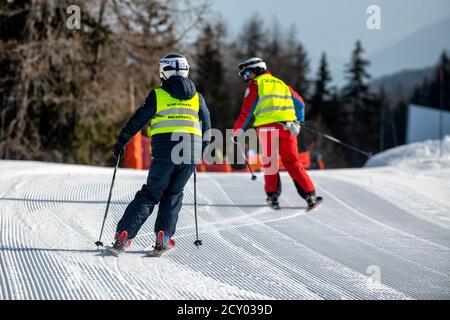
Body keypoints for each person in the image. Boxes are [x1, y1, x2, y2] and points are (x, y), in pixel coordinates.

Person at [111, 53, 211, 254]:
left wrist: (122, 142)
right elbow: (207, 126)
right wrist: (201, 149)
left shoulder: (158, 95)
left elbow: (137, 120)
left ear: (164, 71)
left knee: (150, 194)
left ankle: (124, 235)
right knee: (173, 194)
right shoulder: (197, 97)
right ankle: (163, 237)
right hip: (189, 155)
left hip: (165, 153)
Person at [232, 57, 321, 210]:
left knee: (271, 163)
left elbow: (246, 111)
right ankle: (310, 196)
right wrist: (299, 121)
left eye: (247, 74)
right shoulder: (282, 84)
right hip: (287, 128)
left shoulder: (255, 84)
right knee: (293, 162)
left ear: (257, 70)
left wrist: (237, 131)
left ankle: (272, 197)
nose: (246, 78)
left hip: (267, 129)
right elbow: (300, 103)